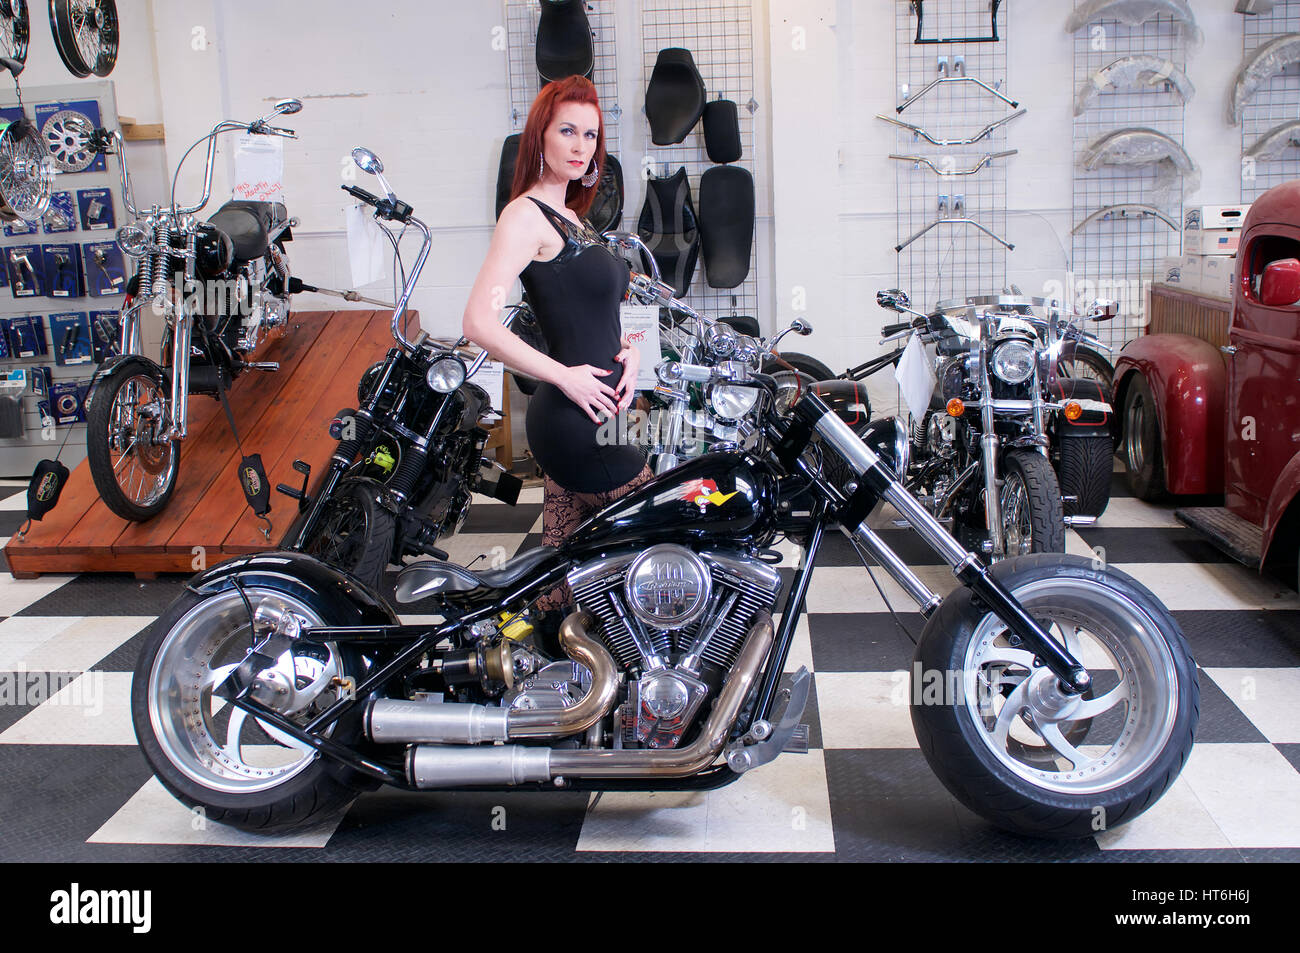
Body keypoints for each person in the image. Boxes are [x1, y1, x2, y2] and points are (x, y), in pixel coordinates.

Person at [462, 75, 652, 616]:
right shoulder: (525, 216)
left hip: (607, 413)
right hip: (579, 423)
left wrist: (632, 350)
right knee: (653, 545)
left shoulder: (575, 218)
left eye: (590, 136)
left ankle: (533, 673)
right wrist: (563, 375)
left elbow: (599, 312)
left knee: (563, 577)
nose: (579, 145)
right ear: (539, 136)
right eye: (567, 130)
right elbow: (479, 320)